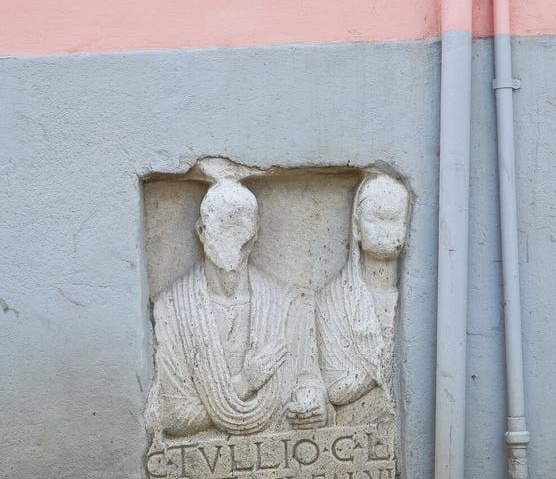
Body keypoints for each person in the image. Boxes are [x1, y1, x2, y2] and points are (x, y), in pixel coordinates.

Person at [147, 179, 326, 437]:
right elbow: (173, 415)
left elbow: (308, 381)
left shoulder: (288, 306)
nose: (232, 235)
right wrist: (245, 382)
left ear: (254, 234)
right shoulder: (171, 310)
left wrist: (313, 403)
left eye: (240, 225)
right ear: (201, 230)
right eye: (222, 224)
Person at [316, 173, 409, 424]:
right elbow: (334, 388)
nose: (385, 230)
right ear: (357, 226)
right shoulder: (333, 299)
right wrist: (378, 366)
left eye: (394, 219)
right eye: (376, 218)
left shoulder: (412, 300)